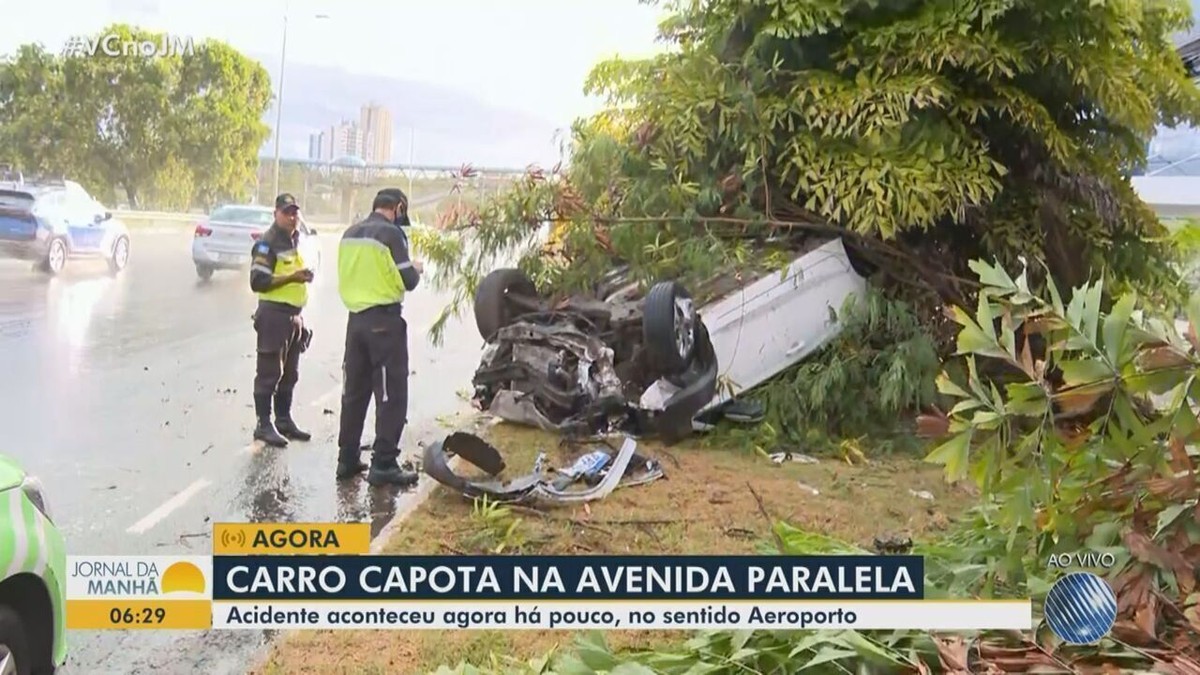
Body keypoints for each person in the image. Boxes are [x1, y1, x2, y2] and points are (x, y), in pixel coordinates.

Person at [335, 188, 423, 486]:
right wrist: (417, 268)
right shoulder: (391, 235)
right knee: (390, 394)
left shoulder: (349, 233)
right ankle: (384, 463)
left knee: (354, 392)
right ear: (398, 208)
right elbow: (408, 280)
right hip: (384, 323)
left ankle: (347, 458)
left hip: (355, 322)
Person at [248, 193, 315, 448]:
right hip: (274, 316)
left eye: (295, 212)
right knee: (269, 373)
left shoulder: (294, 240)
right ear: (276, 213)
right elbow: (257, 282)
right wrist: (293, 278)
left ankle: (283, 419)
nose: (292, 217)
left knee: (290, 373)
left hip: (294, 317)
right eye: (287, 212)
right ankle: (263, 425)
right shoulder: (268, 243)